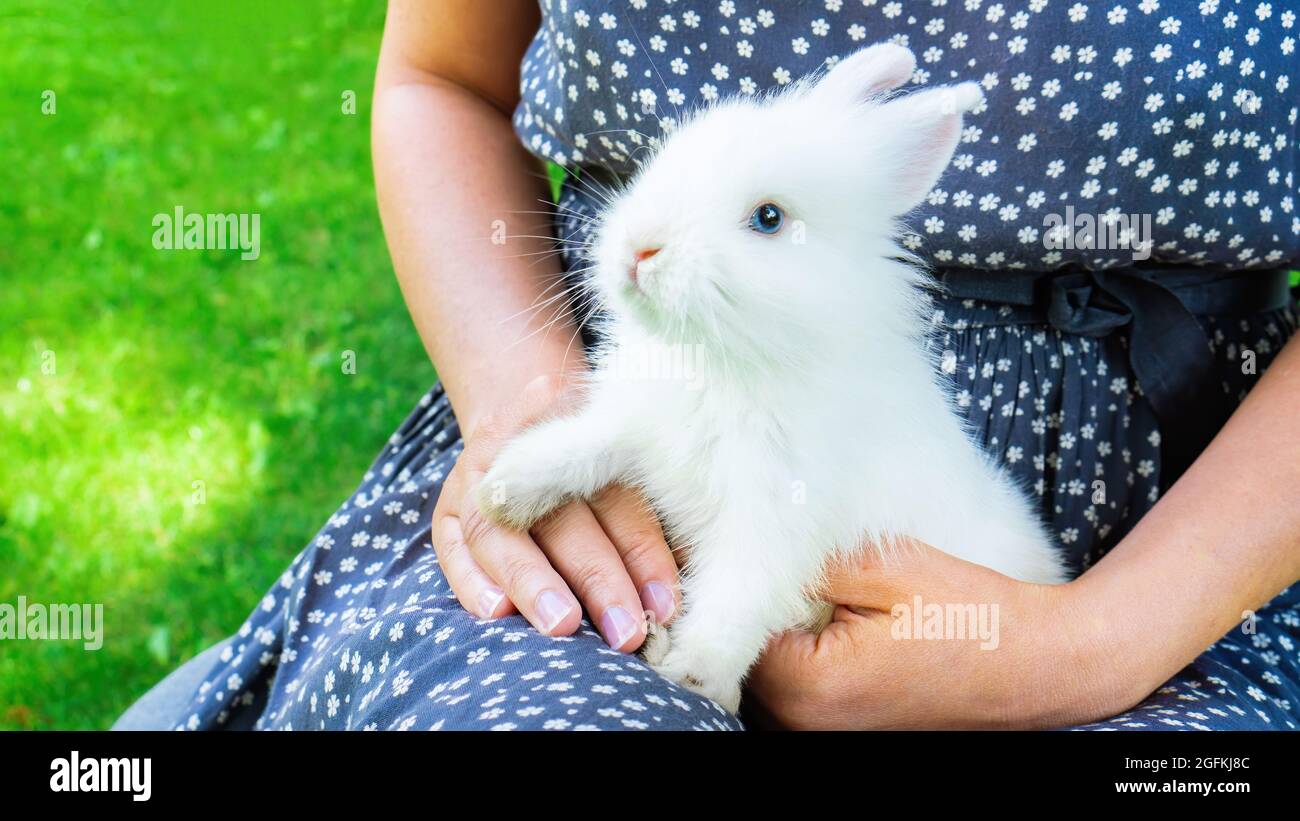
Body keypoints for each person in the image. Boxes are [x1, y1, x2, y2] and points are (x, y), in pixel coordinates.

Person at [117, 0, 1300, 731]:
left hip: (1190, 543)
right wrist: (535, 409)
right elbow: (442, 76)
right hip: (589, 421)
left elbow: (786, 530)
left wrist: (1092, 642)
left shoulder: (849, 368)